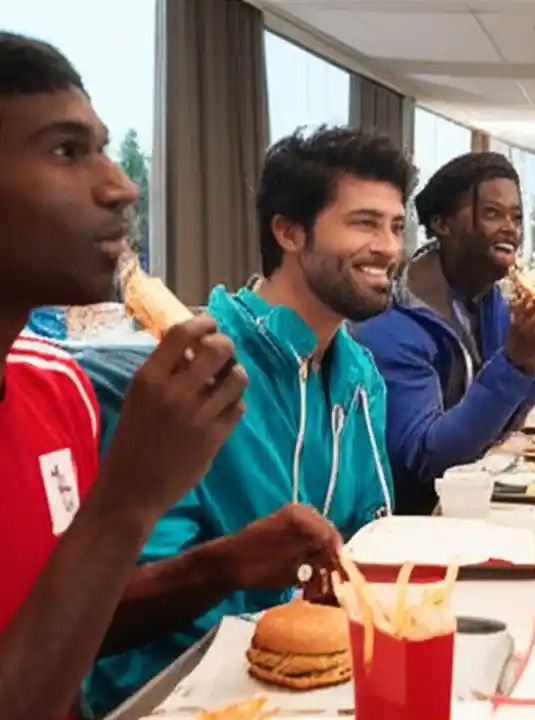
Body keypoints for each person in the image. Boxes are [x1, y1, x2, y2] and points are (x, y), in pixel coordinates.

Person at [79, 126, 411, 715]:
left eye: (395, 225)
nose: (388, 247)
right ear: (288, 232)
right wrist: (235, 564)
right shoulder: (192, 369)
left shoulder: (361, 375)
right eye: (364, 223)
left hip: (318, 687)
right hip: (180, 691)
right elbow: (116, 606)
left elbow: (367, 542)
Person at [0, 32, 246, 719]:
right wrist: (129, 498)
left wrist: (224, 565)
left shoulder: (58, 391)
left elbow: (66, 624)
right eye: (66, 151)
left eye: (103, 148)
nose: (122, 184)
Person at [356, 152, 535, 514]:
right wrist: (517, 363)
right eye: (492, 214)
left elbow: (505, 422)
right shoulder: (391, 324)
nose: (510, 229)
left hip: (472, 503)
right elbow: (427, 459)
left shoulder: (489, 301)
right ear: (442, 224)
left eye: (517, 217)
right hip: (415, 525)